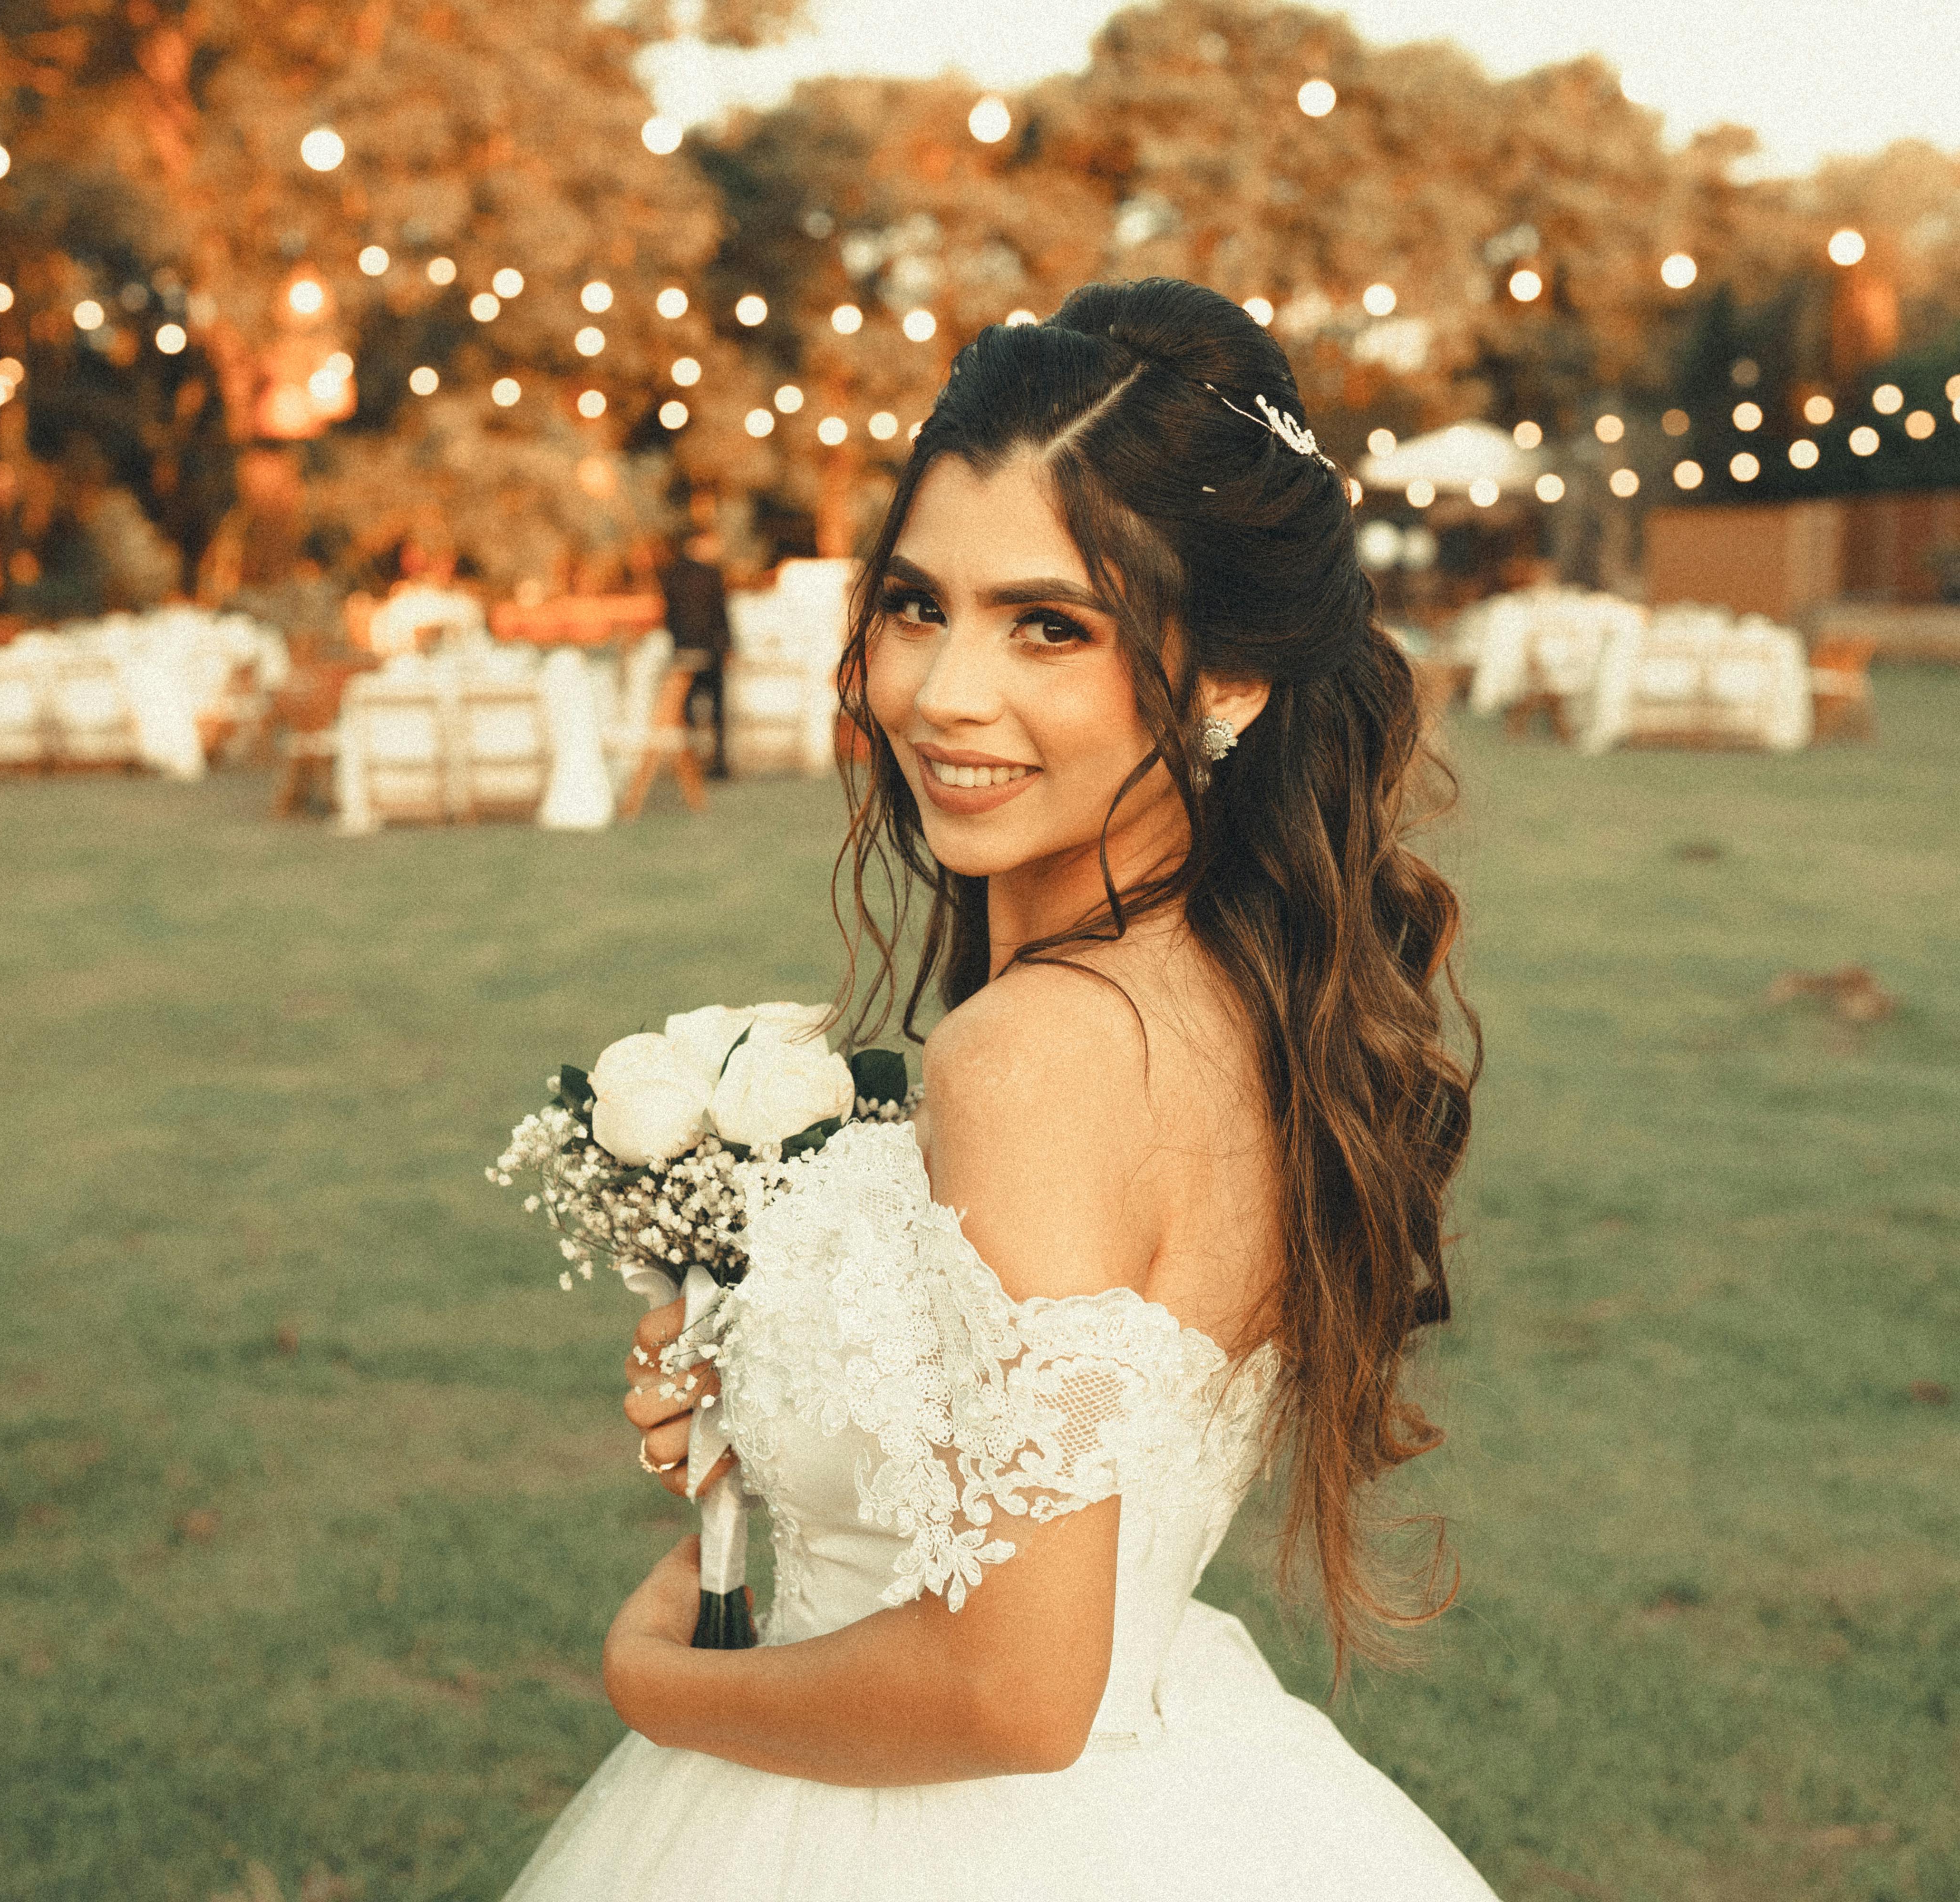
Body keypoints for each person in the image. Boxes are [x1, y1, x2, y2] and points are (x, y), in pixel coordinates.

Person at [504, 279, 1490, 1900]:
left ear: (1230, 677)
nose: (945, 693)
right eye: (916, 605)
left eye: (1051, 625)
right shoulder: (1237, 991)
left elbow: (1016, 1692)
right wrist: (768, 1421)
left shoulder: (1037, 1051)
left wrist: (658, 1681)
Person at [659, 528, 733, 779]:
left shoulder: (672, 575)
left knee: (687, 711)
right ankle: (718, 761)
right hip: (709, 653)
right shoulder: (711, 575)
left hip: (683, 653)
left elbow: (669, 617)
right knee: (717, 711)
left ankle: (690, 762)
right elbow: (720, 615)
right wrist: (727, 646)